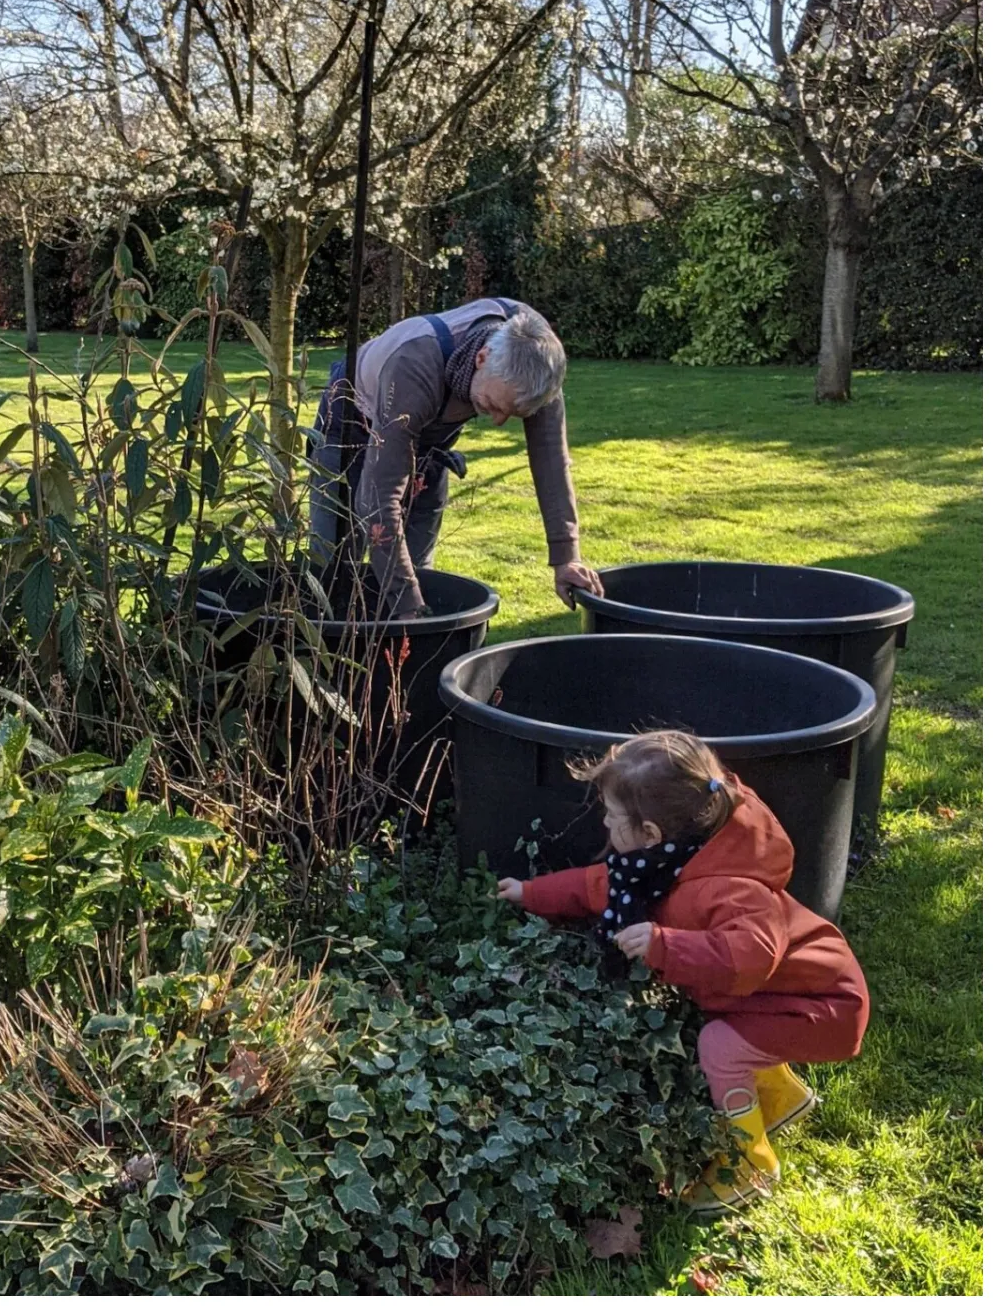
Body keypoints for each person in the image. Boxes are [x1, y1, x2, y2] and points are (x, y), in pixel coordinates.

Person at [496, 730, 870, 1216]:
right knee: (727, 1032)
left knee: (720, 1047)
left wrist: (665, 944)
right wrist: (530, 893)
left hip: (825, 1005)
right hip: (791, 995)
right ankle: (778, 1097)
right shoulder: (669, 860)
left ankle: (747, 1164)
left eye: (611, 815)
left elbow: (750, 957)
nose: (604, 823)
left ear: (650, 832)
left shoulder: (733, 886)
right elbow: (599, 885)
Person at [308, 297, 602, 618]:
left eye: (513, 414)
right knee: (335, 570)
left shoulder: (537, 361)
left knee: (422, 573)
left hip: (429, 441)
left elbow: (551, 460)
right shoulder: (415, 363)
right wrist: (410, 608)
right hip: (350, 426)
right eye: (493, 404)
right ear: (481, 357)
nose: (499, 421)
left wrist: (566, 556)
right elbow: (378, 502)